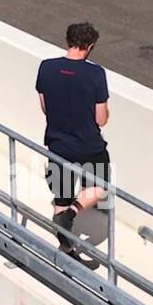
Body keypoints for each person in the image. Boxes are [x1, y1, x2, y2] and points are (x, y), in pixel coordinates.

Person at [35, 22, 109, 256]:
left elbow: (45, 107)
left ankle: (66, 245)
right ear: (90, 46)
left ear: (68, 40)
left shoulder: (46, 68)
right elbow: (101, 119)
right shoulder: (96, 73)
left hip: (57, 142)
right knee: (100, 187)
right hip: (89, 144)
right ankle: (72, 213)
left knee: (62, 194)